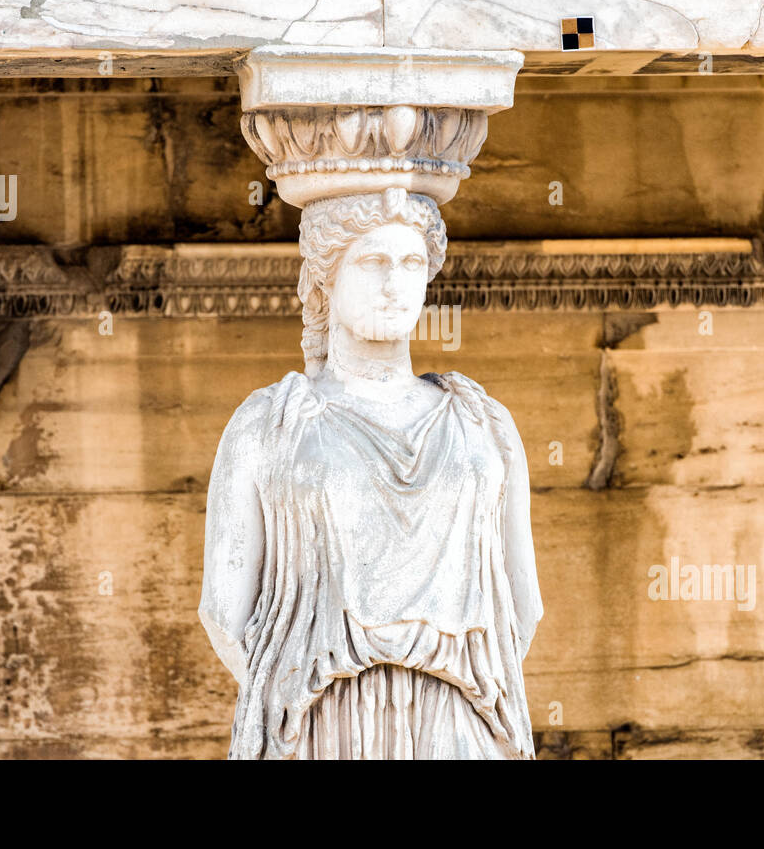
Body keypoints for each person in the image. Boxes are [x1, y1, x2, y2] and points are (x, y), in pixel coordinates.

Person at [198, 187, 542, 759]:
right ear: (324, 279)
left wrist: (450, 688)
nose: (395, 283)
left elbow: (521, 607)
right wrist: (298, 693)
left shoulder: (482, 422)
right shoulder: (270, 423)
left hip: (461, 717)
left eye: (412, 264)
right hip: (317, 718)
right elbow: (224, 611)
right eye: (372, 261)